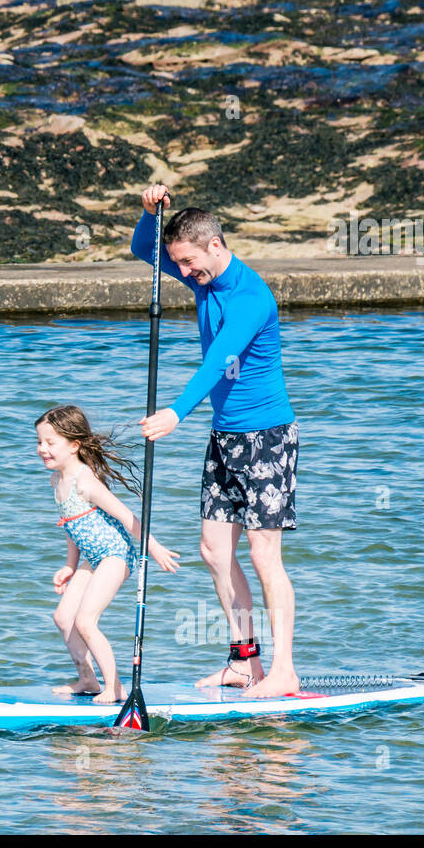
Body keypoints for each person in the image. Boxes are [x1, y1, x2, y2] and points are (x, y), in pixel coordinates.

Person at [132, 183, 300, 698]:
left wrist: (176, 413)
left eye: (188, 263)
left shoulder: (250, 297)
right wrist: (147, 215)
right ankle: (243, 660)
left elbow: (219, 359)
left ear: (215, 245)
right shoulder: (203, 280)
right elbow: (143, 249)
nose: (182, 274)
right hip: (225, 436)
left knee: (264, 554)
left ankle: (284, 671)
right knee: (212, 549)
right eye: (178, 264)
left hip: (267, 437)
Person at [37, 405, 180, 703]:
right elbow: (71, 526)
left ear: (74, 445)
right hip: (93, 557)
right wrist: (69, 566)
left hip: (116, 554)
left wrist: (153, 547)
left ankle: (114, 686)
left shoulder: (85, 481)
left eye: (51, 443)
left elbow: (128, 517)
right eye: (40, 442)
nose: (43, 449)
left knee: (86, 621)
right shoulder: (57, 481)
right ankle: (88, 680)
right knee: (63, 617)